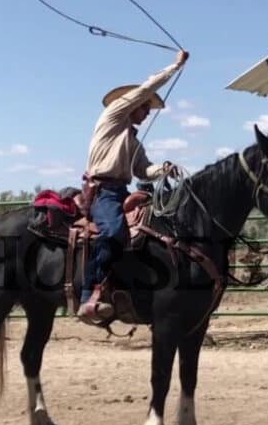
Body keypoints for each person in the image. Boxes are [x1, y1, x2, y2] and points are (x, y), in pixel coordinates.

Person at [77, 49, 189, 323]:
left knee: (155, 226)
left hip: (119, 191)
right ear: (131, 105)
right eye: (145, 107)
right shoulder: (112, 119)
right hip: (102, 192)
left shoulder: (132, 142)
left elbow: (143, 169)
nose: (147, 113)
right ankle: (89, 293)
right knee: (114, 231)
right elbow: (145, 88)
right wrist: (174, 67)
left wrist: (163, 169)